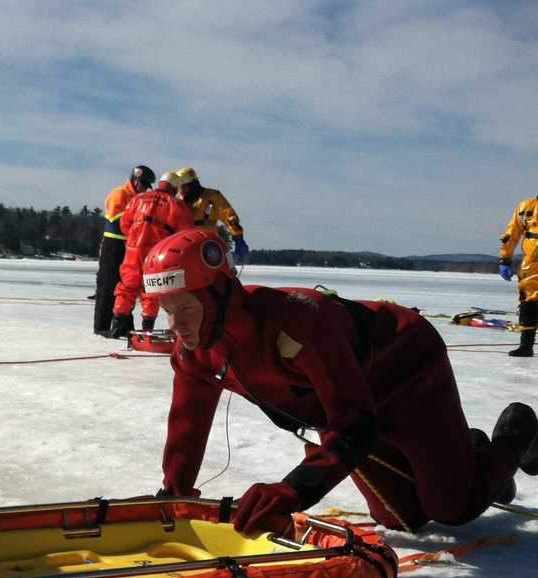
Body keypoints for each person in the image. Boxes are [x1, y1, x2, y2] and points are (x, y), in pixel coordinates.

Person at [143, 228, 538, 534]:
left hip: (406, 372)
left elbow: (355, 426)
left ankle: (514, 439)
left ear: (221, 296)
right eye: (167, 311)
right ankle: (468, 455)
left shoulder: (295, 324)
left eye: (185, 310)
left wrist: (292, 490)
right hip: (347, 402)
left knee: (452, 507)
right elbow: (187, 426)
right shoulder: (194, 351)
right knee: (400, 518)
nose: (176, 326)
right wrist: (174, 494)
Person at [107, 172, 195, 338]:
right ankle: (147, 330)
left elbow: (124, 223)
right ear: (175, 187)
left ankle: (116, 327)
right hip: (156, 253)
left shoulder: (138, 199)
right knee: (151, 289)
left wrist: (135, 237)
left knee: (126, 287)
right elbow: (185, 233)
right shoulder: (176, 204)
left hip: (133, 250)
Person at [94, 166, 155, 336]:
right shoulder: (119, 194)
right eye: (144, 184)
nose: (145, 189)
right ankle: (101, 327)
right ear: (136, 181)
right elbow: (116, 218)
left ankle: (124, 327)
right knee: (108, 285)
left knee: (127, 286)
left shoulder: (136, 198)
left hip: (128, 247)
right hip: (113, 244)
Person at [174, 167, 249, 261]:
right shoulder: (177, 202)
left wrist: (238, 238)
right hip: (184, 248)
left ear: (193, 184)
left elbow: (229, 216)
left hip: (210, 248)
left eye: (184, 186)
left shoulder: (212, 196)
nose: (182, 190)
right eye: (180, 187)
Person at [497, 195, 538, 357]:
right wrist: (505, 258)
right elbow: (511, 234)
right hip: (533, 263)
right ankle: (526, 345)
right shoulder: (526, 207)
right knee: (528, 300)